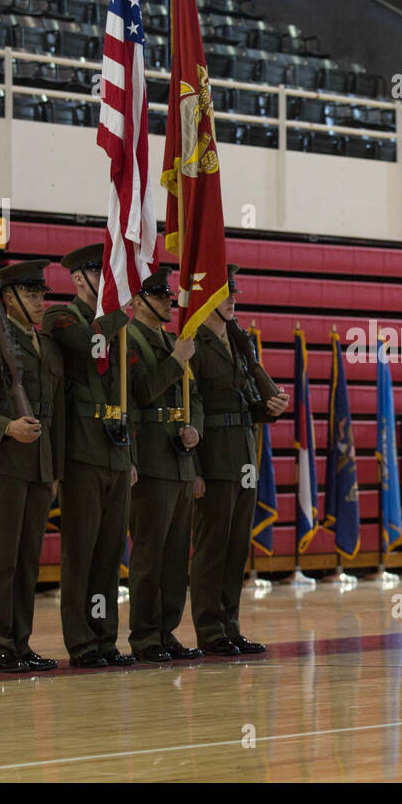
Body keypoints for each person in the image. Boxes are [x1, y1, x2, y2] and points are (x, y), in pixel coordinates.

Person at [0, 261, 64, 673]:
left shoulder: (46, 346)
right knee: (1, 559)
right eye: (31, 295)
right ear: (8, 299)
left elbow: (54, 414)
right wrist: (7, 427)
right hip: (1, 464)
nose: (40, 302)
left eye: (42, 295)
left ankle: (21, 641)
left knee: (27, 559)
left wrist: (53, 469)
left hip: (38, 466)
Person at [42, 243, 136, 668]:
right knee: (80, 554)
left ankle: (104, 637)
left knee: (108, 554)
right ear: (80, 280)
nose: (110, 282)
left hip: (116, 452)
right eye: (103, 275)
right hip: (81, 451)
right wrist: (119, 313)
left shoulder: (117, 326)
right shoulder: (61, 317)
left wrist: (130, 452)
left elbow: (123, 389)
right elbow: (88, 343)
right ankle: (80, 641)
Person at [190, 264, 288, 656]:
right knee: (212, 546)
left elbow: (248, 399)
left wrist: (270, 407)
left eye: (233, 294)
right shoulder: (193, 341)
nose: (232, 300)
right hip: (212, 455)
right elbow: (189, 408)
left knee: (235, 548)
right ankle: (209, 629)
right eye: (226, 294)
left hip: (245, 453)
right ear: (209, 298)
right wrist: (194, 468)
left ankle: (230, 625)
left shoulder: (238, 340)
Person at [125, 269, 205, 662]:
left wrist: (196, 430)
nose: (168, 302)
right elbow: (140, 391)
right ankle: (144, 636)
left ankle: (167, 630)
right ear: (137, 301)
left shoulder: (174, 341)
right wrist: (175, 360)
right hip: (151, 460)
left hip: (180, 459)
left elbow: (197, 398)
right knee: (149, 555)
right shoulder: (130, 340)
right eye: (158, 297)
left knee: (175, 557)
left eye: (168, 296)